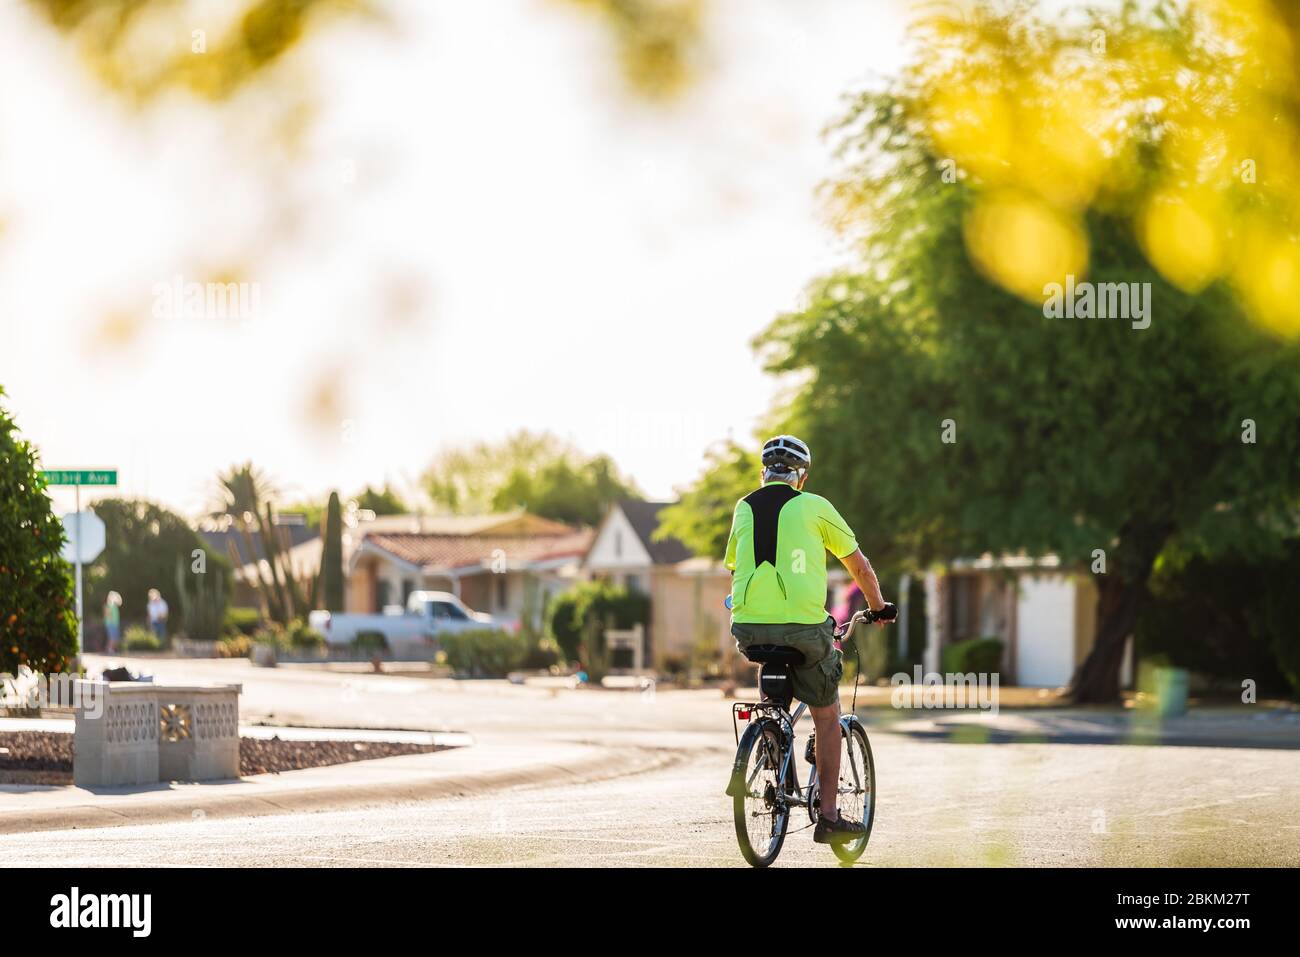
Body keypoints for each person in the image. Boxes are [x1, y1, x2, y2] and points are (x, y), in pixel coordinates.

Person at [724, 434, 891, 845]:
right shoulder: (814, 506)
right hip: (804, 629)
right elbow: (860, 566)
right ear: (801, 476)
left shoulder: (743, 507)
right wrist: (879, 607)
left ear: (764, 472)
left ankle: (769, 737)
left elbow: (735, 565)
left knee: (776, 689)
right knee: (828, 715)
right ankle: (830, 816)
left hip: (746, 629)